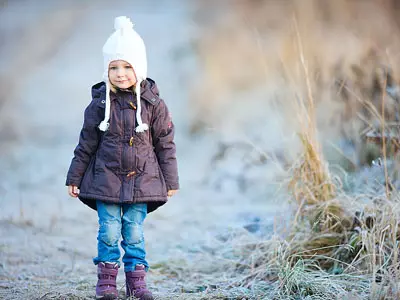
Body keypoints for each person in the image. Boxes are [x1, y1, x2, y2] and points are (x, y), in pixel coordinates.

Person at [65, 16, 179, 300]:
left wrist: (170, 179)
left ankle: (136, 282)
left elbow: (165, 144)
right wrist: (74, 177)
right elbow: (86, 144)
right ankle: (106, 282)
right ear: (106, 70)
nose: (120, 73)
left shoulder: (154, 105)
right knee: (109, 231)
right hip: (105, 180)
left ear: (139, 68)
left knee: (135, 233)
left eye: (127, 66)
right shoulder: (99, 105)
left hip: (143, 181)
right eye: (113, 67)